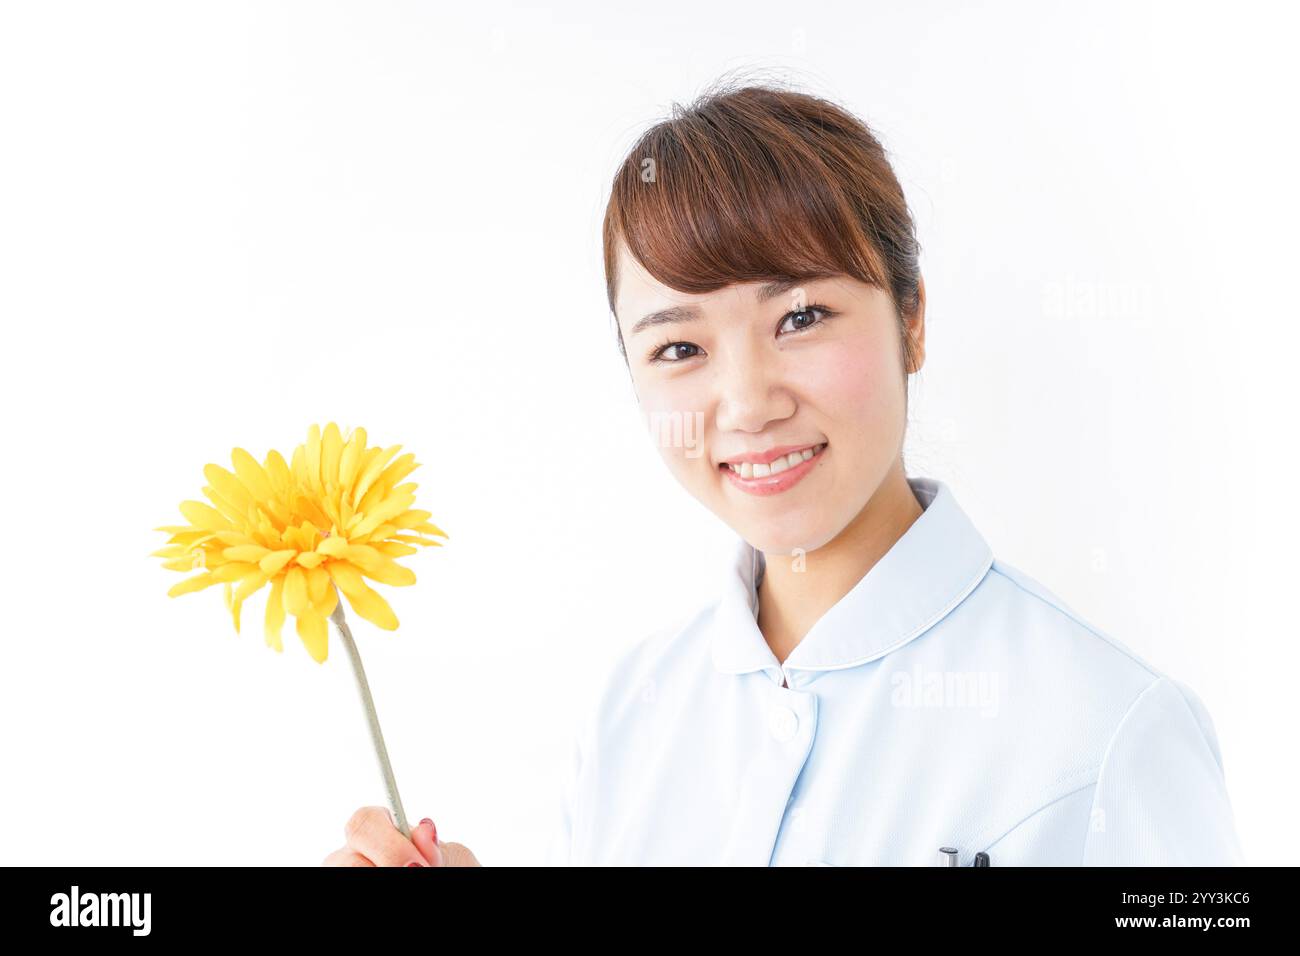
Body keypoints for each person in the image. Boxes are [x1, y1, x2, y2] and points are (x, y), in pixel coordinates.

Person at [323, 80, 1244, 867]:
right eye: (680, 345)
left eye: (801, 319)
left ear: (911, 321)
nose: (746, 402)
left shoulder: (1112, 733)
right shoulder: (630, 715)